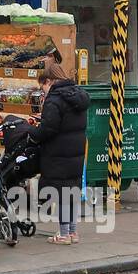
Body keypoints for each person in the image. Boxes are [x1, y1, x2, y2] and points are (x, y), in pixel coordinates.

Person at [29, 61, 90, 244]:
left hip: (58, 153)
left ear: (49, 81)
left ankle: (63, 235)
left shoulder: (54, 99)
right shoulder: (78, 95)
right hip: (76, 151)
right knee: (71, 191)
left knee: (62, 193)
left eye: (43, 86)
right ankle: (72, 232)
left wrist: (32, 132)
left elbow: (49, 129)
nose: (44, 91)